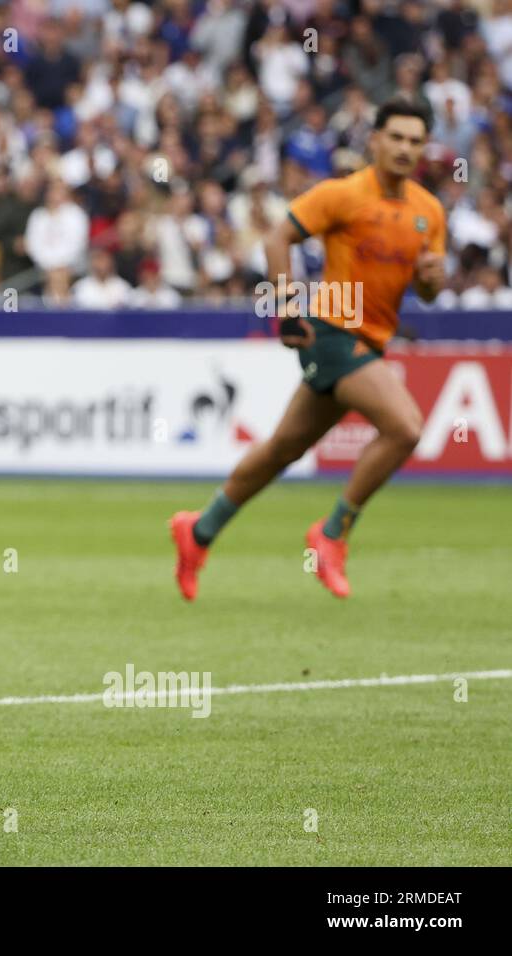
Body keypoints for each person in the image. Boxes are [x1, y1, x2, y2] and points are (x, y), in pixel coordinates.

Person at [170, 96, 446, 600]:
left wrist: (432, 279)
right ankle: (333, 532)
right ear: (375, 140)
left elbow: (427, 290)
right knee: (405, 427)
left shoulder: (428, 212)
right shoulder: (342, 194)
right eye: (397, 137)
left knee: (284, 448)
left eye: (415, 140)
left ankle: (199, 529)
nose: (406, 148)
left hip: (369, 340)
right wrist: (288, 306)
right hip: (332, 329)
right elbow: (278, 238)